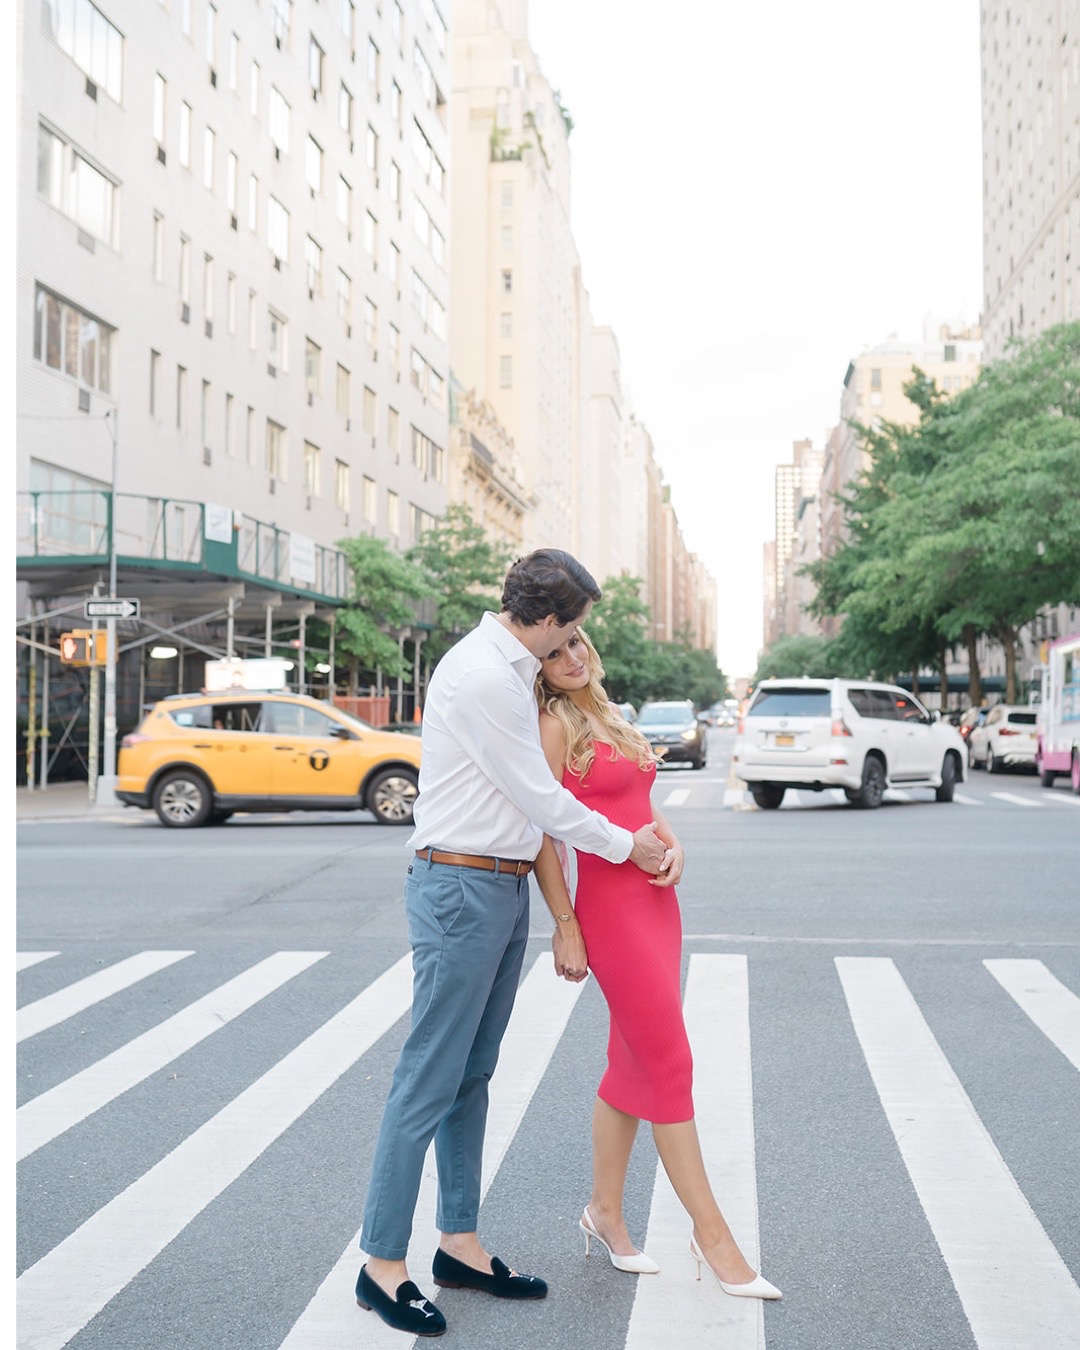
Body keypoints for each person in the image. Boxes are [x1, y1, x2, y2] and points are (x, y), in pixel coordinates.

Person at [356, 550, 670, 1338]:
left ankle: (458, 1244)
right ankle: (381, 1265)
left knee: (471, 1076)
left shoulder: (508, 670)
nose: (575, 642)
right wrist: (623, 845)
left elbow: (532, 807)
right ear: (549, 619)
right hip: (460, 887)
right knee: (428, 1077)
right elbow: (539, 797)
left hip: (497, 886)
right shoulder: (485, 677)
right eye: (573, 627)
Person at [536, 627, 782, 1301]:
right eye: (552, 652)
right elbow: (543, 835)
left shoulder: (609, 714)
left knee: (631, 1061)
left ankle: (604, 1211)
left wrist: (675, 846)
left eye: (575, 642)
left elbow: (638, 803)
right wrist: (565, 925)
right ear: (538, 665)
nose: (571, 657)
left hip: (654, 903)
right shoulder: (553, 725)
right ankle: (713, 1236)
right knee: (670, 1061)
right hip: (608, 912)